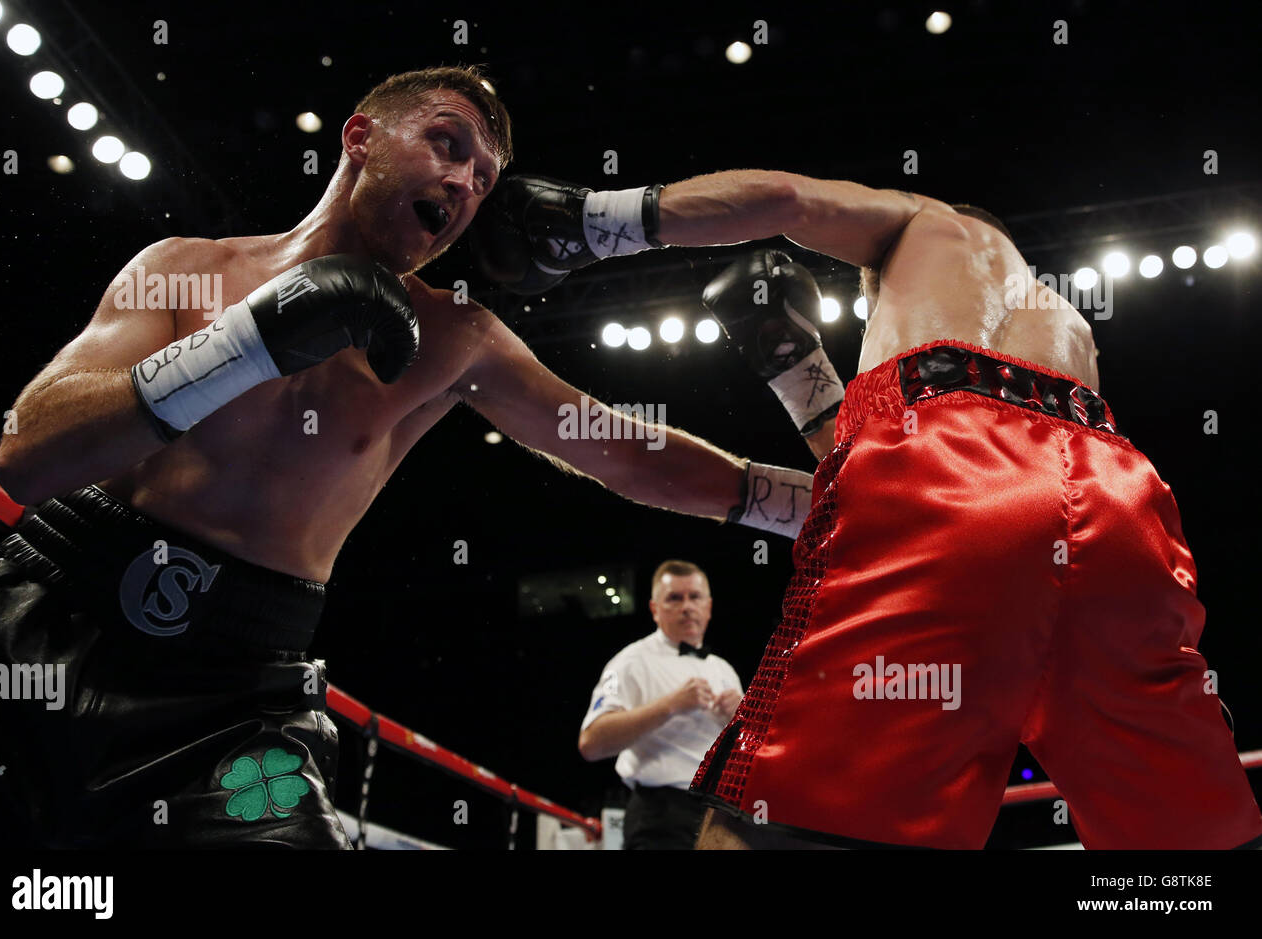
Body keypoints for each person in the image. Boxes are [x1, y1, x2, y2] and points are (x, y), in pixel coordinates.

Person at [0, 68, 813, 849]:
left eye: (483, 181)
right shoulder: (184, 270)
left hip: (225, 708)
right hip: (38, 615)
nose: (464, 184)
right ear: (360, 137)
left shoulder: (457, 337)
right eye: (448, 145)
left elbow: (629, 453)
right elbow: (27, 456)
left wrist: (822, 510)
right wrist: (248, 343)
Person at [473, 170, 1262, 849]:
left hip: (945, 478)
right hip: (1121, 495)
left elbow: (785, 197)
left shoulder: (923, 222)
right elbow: (991, 487)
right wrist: (799, 375)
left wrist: (583, 219)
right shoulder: (1068, 327)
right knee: (1184, 844)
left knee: (797, 808)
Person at [578, 560, 742, 849]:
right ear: (654, 609)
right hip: (661, 815)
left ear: (709, 606)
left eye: (694, 597)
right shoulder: (630, 662)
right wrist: (669, 705)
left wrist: (742, 721)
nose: (687, 606)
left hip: (721, 815)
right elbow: (592, 742)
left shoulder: (724, 670)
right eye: (674, 598)